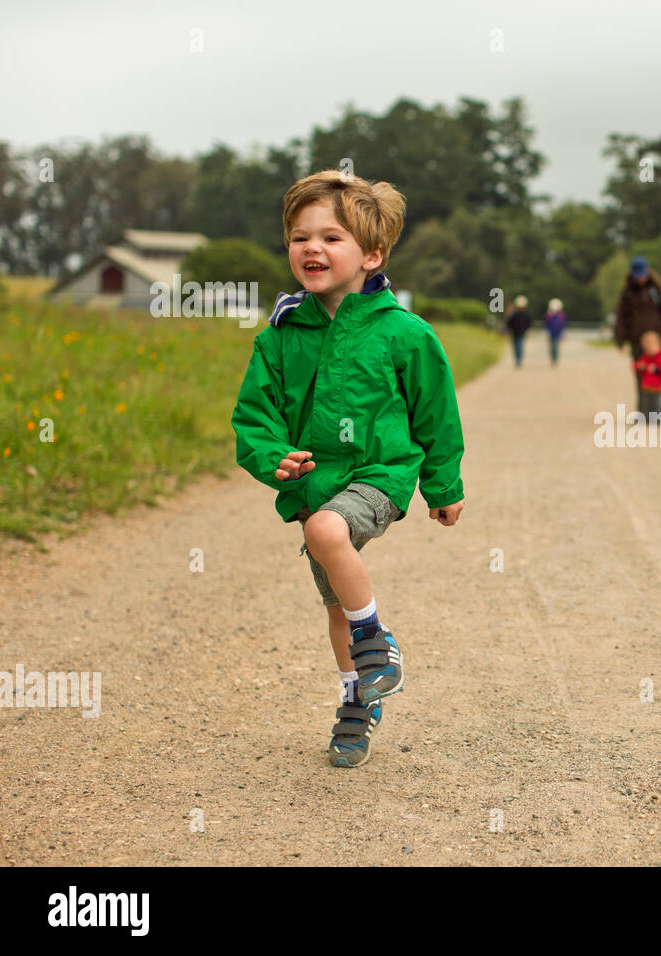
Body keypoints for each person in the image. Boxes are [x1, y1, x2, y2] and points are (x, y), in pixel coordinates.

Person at [230, 169, 466, 768]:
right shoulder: (280, 339)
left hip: (379, 475)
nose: (312, 248)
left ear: (372, 254)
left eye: (331, 237)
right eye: (299, 237)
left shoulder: (403, 333)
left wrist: (442, 485)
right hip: (316, 485)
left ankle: (376, 642)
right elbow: (254, 419)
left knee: (327, 531)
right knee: (336, 601)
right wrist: (273, 457)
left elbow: (436, 412)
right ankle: (359, 701)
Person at [614, 256, 661, 413]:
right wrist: (619, 339)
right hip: (637, 340)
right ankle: (642, 410)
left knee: (657, 373)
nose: (640, 279)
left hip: (656, 339)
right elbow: (621, 316)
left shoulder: (656, 290)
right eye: (637, 275)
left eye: (642, 275)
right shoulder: (627, 293)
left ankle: (657, 410)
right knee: (641, 374)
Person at [633, 330, 661, 418]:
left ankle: (659, 419)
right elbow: (636, 366)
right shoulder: (645, 357)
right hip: (647, 386)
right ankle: (647, 419)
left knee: (657, 404)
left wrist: (656, 369)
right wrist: (639, 366)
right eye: (648, 347)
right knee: (647, 404)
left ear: (659, 345)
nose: (650, 349)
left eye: (652, 346)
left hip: (657, 386)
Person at [506, 295, 532, 367]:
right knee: (515, 347)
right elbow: (509, 323)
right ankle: (517, 359)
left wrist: (528, 331)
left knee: (520, 346)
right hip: (514, 333)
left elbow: (528, 324)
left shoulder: (526, 315)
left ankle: (519, 360)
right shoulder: (514, 314)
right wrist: (509, 331)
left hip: (522, 333)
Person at [543, 298, 566, 366]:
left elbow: (563, 324)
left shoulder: (561, 315)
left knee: (555, 346)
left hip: (558, 333)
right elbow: (546, 323)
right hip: (551, 333)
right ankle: (553, 359)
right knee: (551, 347)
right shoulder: (548, 315)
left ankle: (555, 359)